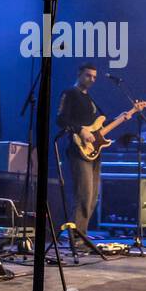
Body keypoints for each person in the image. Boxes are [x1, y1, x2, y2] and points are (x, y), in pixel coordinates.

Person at [57, 63, 103, 247]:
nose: (91, 79)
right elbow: (60, 119)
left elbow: (95, 125)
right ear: (79, 74)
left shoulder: (90, 99)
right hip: (78, 150)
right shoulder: (70, 93)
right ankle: (75, 238)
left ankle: (81, 234)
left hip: (94, 152)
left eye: (94, 77)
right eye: (88, 75)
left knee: (93, 196)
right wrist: (80, 130)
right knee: (83, 193)